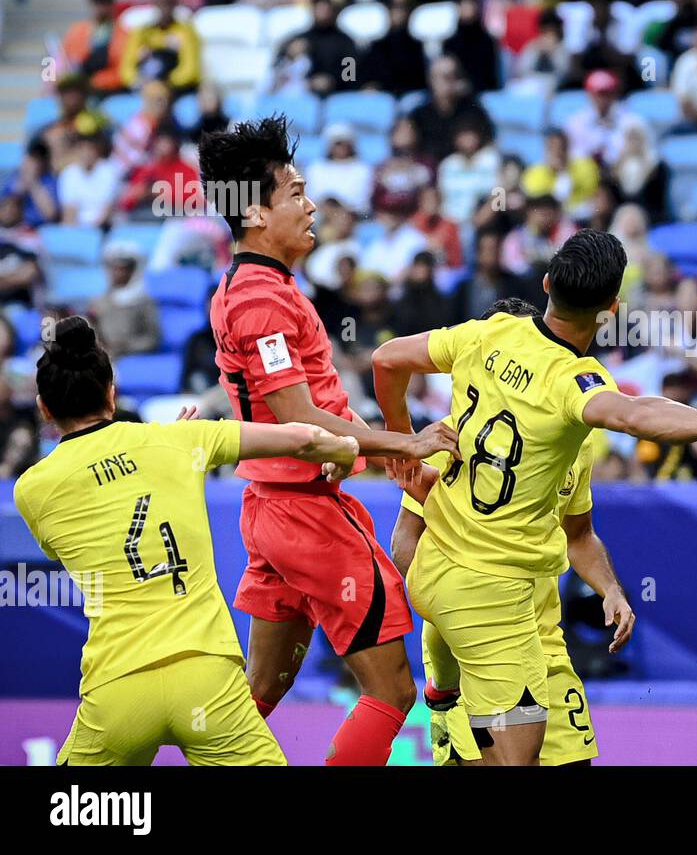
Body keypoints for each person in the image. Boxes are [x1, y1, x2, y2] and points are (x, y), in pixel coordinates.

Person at [371, 229, 697, 765]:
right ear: (613, 308)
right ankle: (447, 702)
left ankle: (452, 704)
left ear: (547, 283)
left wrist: (401, 440)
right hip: (488, 595)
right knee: (514, 760)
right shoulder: (576, 384)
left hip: (518, 604)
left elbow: (387, 358)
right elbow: (639, 415)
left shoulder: (491, 332)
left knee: (562, 758)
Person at [197, 115, 460, 766]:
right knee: (394, 690)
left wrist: (381, 456)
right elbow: (301, 425)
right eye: (295, 193)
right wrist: (406, 446)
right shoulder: (260, 300)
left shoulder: (253, 286)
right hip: (306, 516)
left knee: (257, 695)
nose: (311, 204)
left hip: (274, 507)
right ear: (255, 212)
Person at [14, 315, 362, 765]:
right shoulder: (182, 442)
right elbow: (304, 438)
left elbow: (94, 525)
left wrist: (159, 452)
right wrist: (344, 451)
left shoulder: (32, 489)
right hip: (207, 679)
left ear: (43, 408)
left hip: (118, 688)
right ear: (111, 393)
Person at [388, 297, 635, 766]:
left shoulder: (570, 439)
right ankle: (443, 696)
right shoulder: (453, 438)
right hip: (476, 650)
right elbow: (406, 541)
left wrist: (611, 590)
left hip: (545, 641)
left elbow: (578, 536)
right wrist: (456, 618)